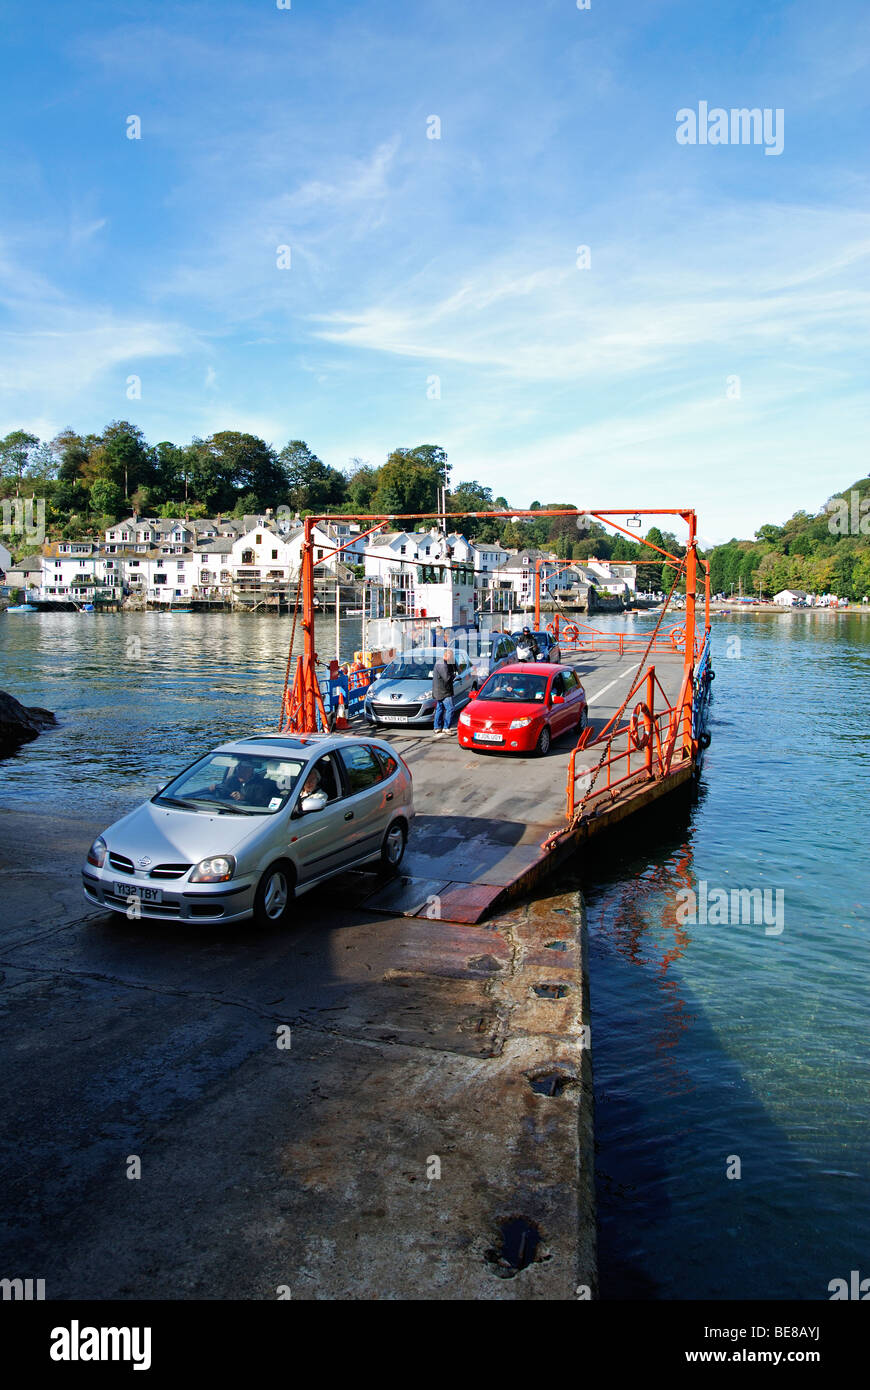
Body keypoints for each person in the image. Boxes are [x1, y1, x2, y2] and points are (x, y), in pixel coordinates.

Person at [432, 647, 456, 735]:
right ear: (447, 655)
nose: (452, 658)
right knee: (450, 708)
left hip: (439, 691)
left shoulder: (441, 662)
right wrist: (454, 676)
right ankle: (446, 727)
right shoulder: (442, 664)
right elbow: (447, 678)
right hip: (444, 691)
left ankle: (437, 727)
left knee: (440, 708)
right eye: (451, 656)